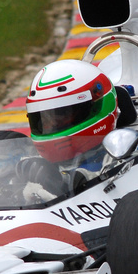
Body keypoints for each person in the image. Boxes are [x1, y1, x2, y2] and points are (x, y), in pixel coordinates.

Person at [15, 60, 120, 196]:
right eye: (42, 119)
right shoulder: (33, 165)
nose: (49, 126)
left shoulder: (126, 152)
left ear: (96, 107)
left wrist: (70, 182)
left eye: (60, 115)